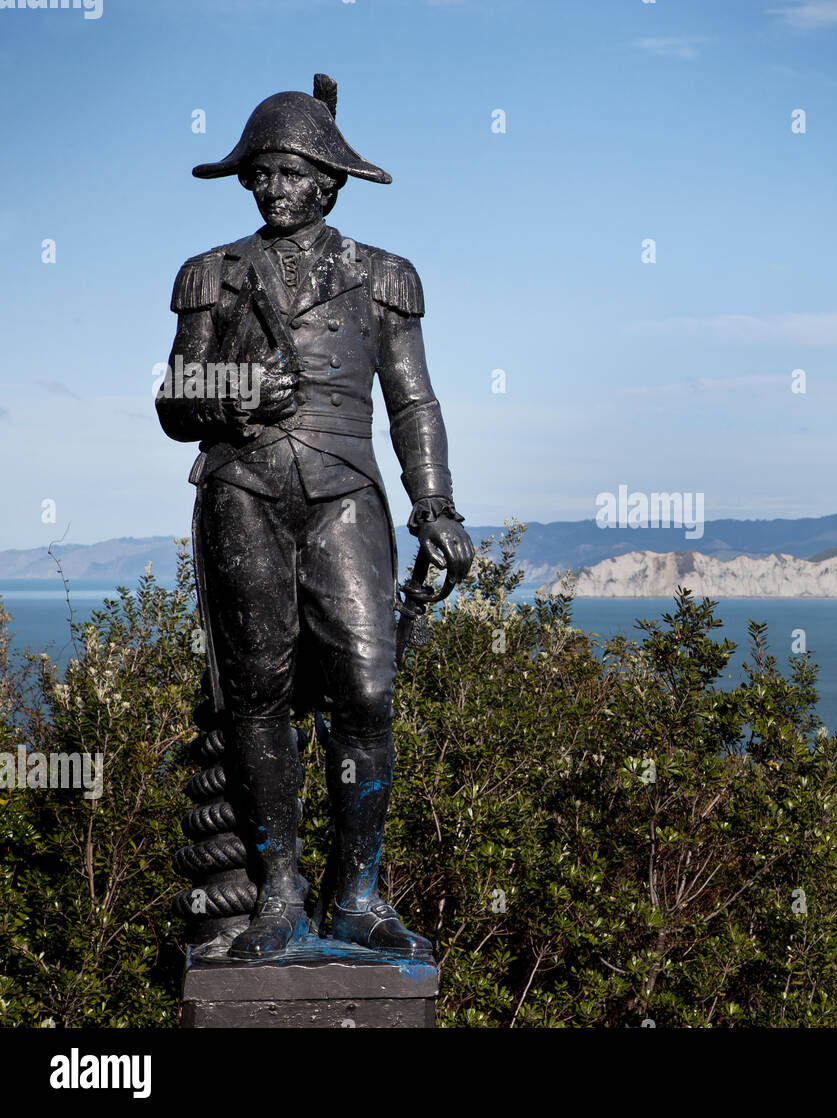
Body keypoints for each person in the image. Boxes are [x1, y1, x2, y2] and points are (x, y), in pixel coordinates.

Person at [157, 74, 473, 959]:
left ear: (328, 180)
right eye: (260, 174)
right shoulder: (212, 274)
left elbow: (413, 402)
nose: (272, 189)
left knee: (368, 694)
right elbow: (176, 398)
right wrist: (240, 389)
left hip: (343, 497)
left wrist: (435, 504)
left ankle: (359, 898)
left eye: (291, 173)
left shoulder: (383, 277)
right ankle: (279, 896)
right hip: (243, 493)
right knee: (257, 698)